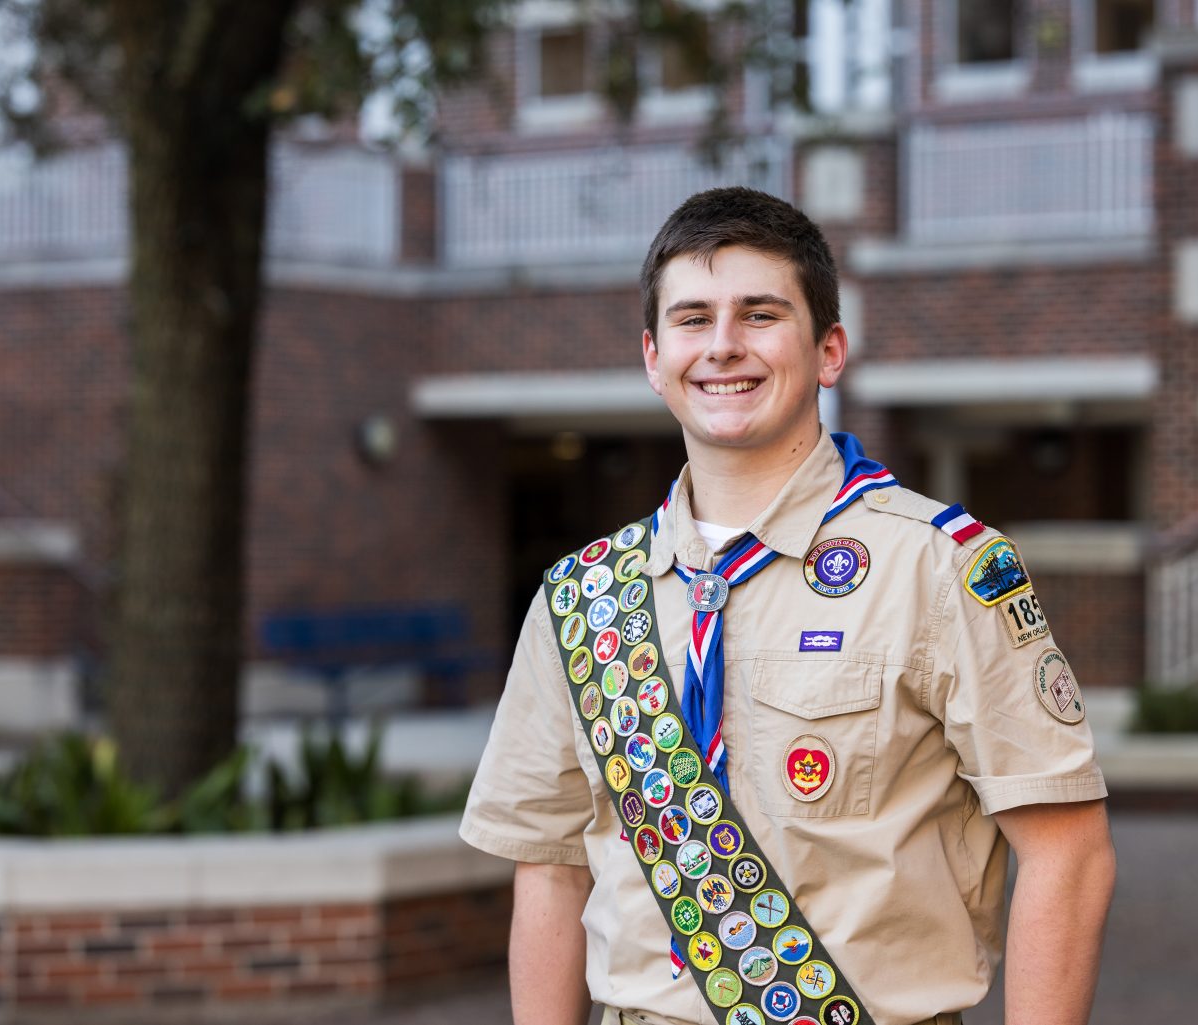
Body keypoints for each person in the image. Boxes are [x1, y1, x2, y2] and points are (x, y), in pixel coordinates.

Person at [461, 187, 1116, 1025]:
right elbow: (551, 870)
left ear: (829, 350)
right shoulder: (583, 597)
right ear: (654, 358)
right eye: (693, 319)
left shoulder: (938, 566)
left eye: (760, 314)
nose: (723, 346)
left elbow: (1070, 855)